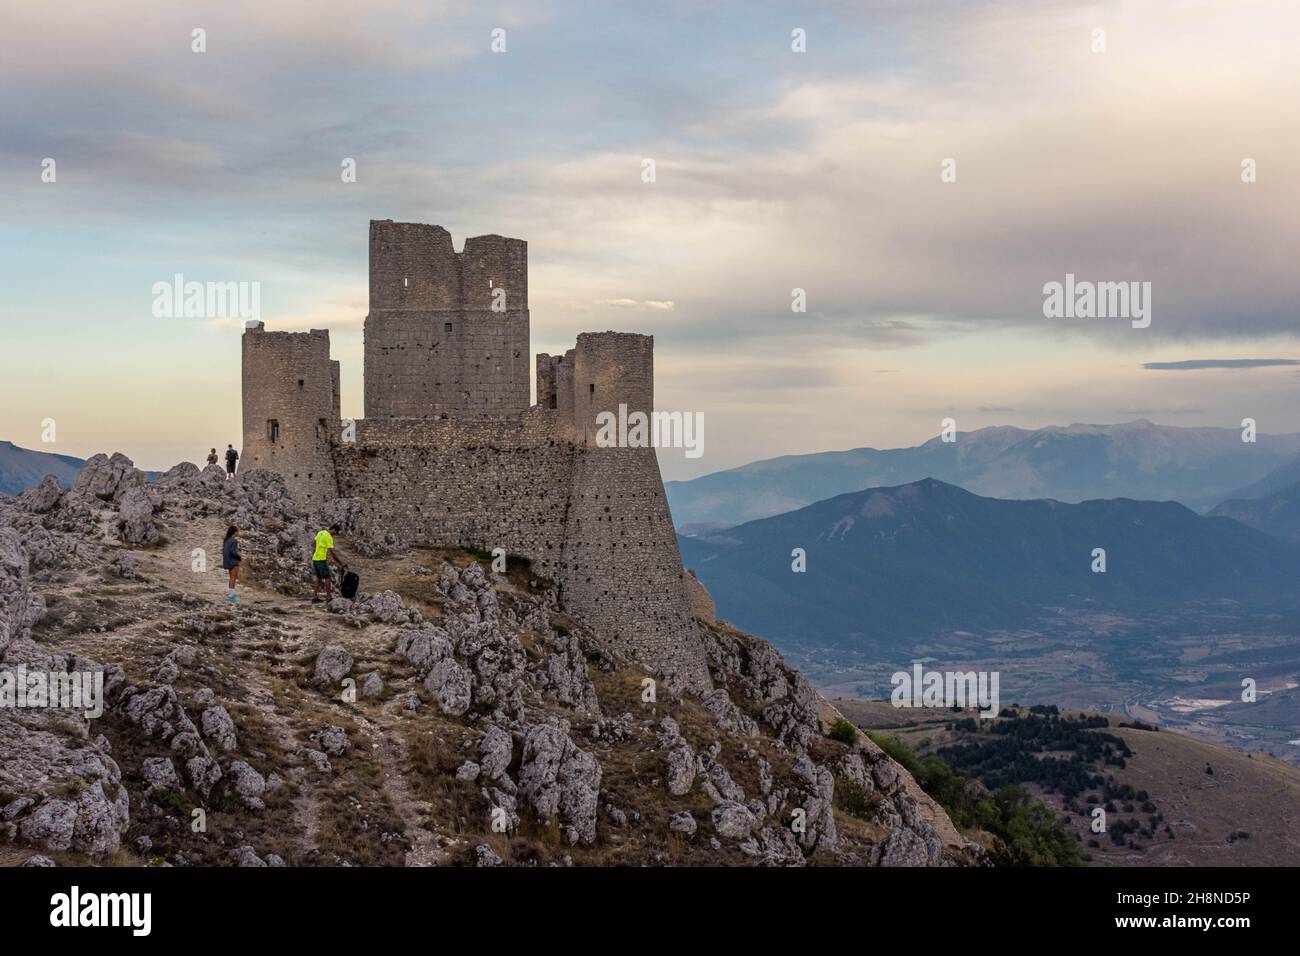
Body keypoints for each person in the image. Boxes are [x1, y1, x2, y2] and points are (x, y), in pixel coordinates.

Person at [311, 524, 345, 603]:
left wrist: (317, 549)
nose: (335, 535)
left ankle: (315, 597)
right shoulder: (329, 537)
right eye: (336, 532)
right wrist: (340, 563)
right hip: (321, 559)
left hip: (315, 558)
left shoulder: (321, 532)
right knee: (327, 577)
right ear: (333, 529)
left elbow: (312, 543)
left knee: (318, 578)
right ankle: (328, 597)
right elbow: (332, 553)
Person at [222, 525, 242, 604]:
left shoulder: (226, 540)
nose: (238, 533)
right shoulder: (234, 541)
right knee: (234, 578)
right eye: (238, 531)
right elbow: (233, 552)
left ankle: (230, 593)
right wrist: (239, 557)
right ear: (235, 532)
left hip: (228, 561)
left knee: (231, 578)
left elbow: (225, 552)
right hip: (233, 561)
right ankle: (232, 596)